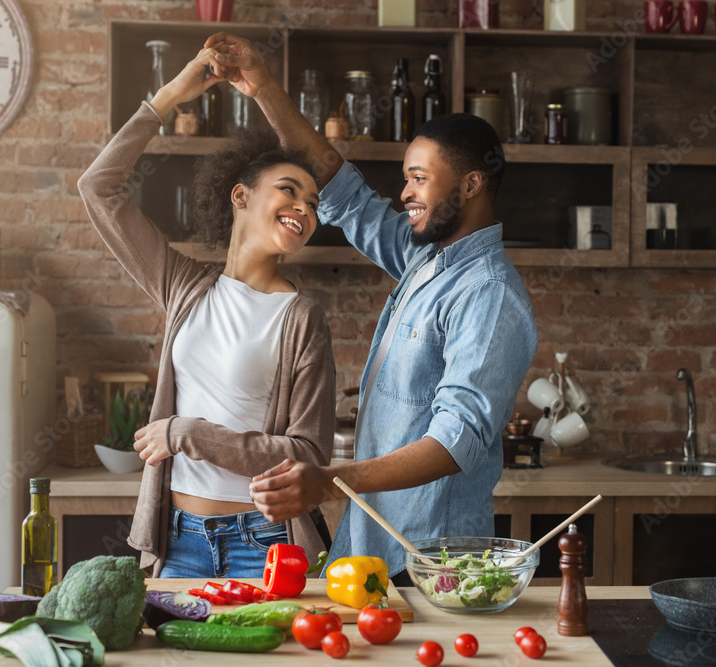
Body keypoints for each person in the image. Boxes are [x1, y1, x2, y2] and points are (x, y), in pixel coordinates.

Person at [203, 33, 539, 582]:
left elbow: (457, 442)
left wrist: (334, 477)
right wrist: (262, 86)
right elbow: (343, 189)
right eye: (406, 177)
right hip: (374, 548)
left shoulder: (489, 294)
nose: (404, 192)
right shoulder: (424, 258)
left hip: (431, 563)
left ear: (472, 183)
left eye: (419, 178)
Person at [76, 47, 336, 579]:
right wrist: (170, 96)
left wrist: (187, 432)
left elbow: (307, 456)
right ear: (240, 196)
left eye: (312, 204)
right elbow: (98, 189)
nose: (304, 210)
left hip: (263, 545)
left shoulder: (300, 317)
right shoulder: (183, 286)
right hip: (178, 541)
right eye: (289, 191)